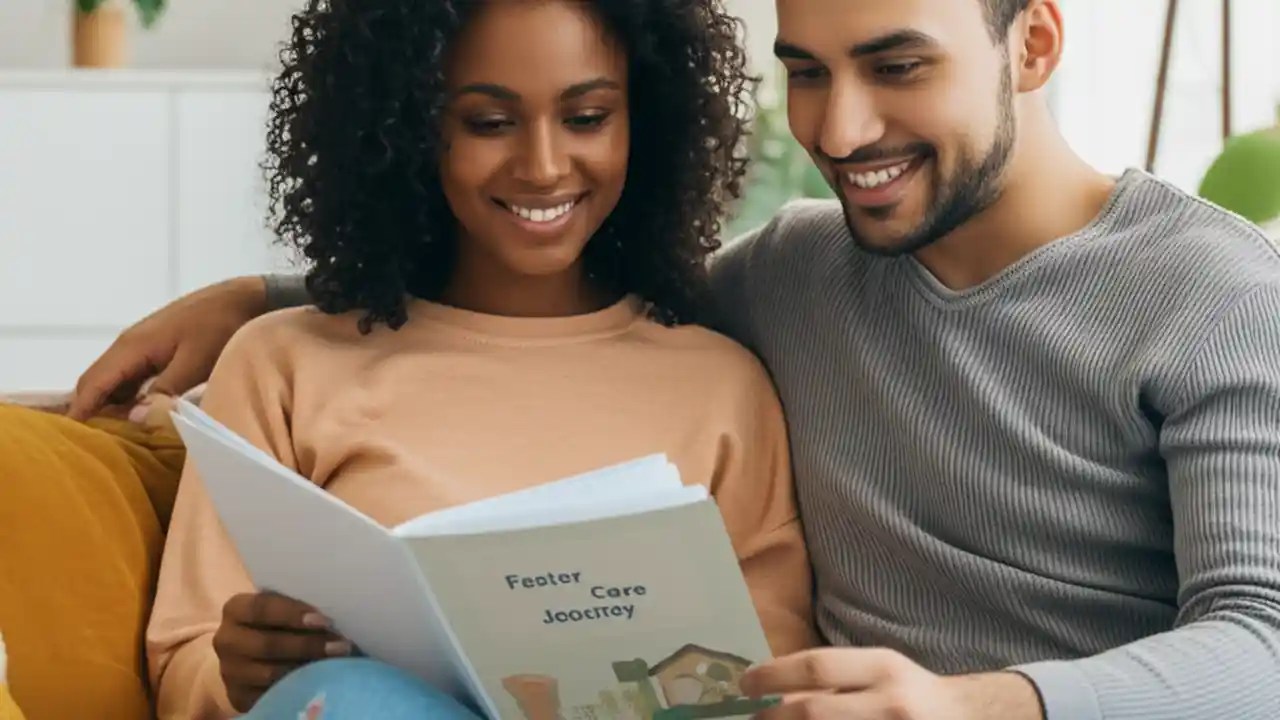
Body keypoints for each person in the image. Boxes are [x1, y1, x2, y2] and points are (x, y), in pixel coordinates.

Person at [69, 0, 1280, 718]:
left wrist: (976, 705)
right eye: (805, 72)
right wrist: (256, 300)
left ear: (1032, 42)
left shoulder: (1215, 297)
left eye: (897, 64)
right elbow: (533, 301)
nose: (839, 131)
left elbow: (1264, 643)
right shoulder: (801, 269)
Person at [138, 0, 820, 718]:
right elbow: (184, 662)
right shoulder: (283, 366)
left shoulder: (721, 385)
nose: (544, 166)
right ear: (406, 127)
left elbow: (775, 674)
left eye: (586, 118)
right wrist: (236, 676)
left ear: (643, 121)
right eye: (489, 123)